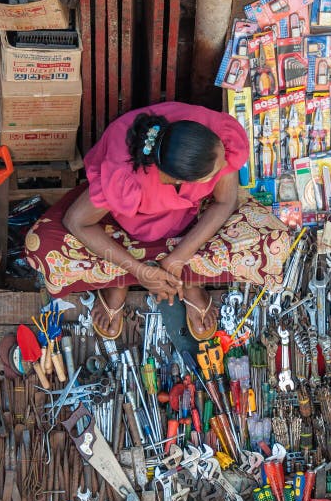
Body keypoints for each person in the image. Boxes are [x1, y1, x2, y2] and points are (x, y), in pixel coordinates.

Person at [24, 102, 292, 341]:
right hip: (122, 226)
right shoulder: (125, 177)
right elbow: (76, 221)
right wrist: (142, 273)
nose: (226, 168)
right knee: (42, 248)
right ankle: (138, 280)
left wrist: (177, 258)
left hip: (189, 225)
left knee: (272, 243)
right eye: (214, 173)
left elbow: (225, 202)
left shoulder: (213, 138)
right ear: (179, 180)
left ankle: (160, 278)